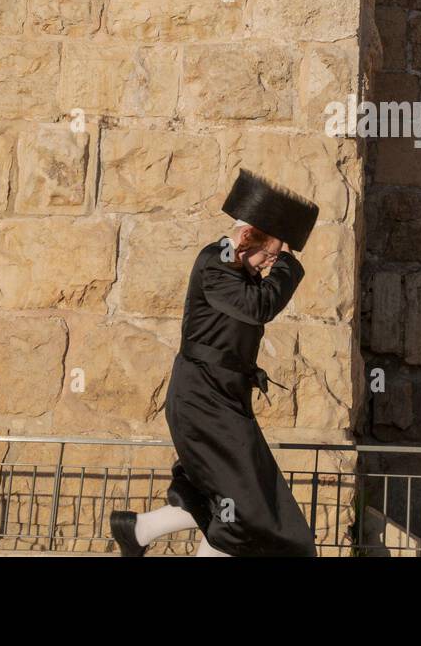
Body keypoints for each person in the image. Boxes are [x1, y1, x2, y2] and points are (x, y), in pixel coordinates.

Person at [110, 169, 319, 557]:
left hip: (222, 400)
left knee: (226, 496)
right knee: (245, 506)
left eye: (275, 259)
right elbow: (260, 308)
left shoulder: (241, 273)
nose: (270, 264)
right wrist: (290, 265)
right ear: (244, 237)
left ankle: (138, 529)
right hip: (201, 401)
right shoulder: (216, 263)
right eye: (269, 254)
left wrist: (277, 259)